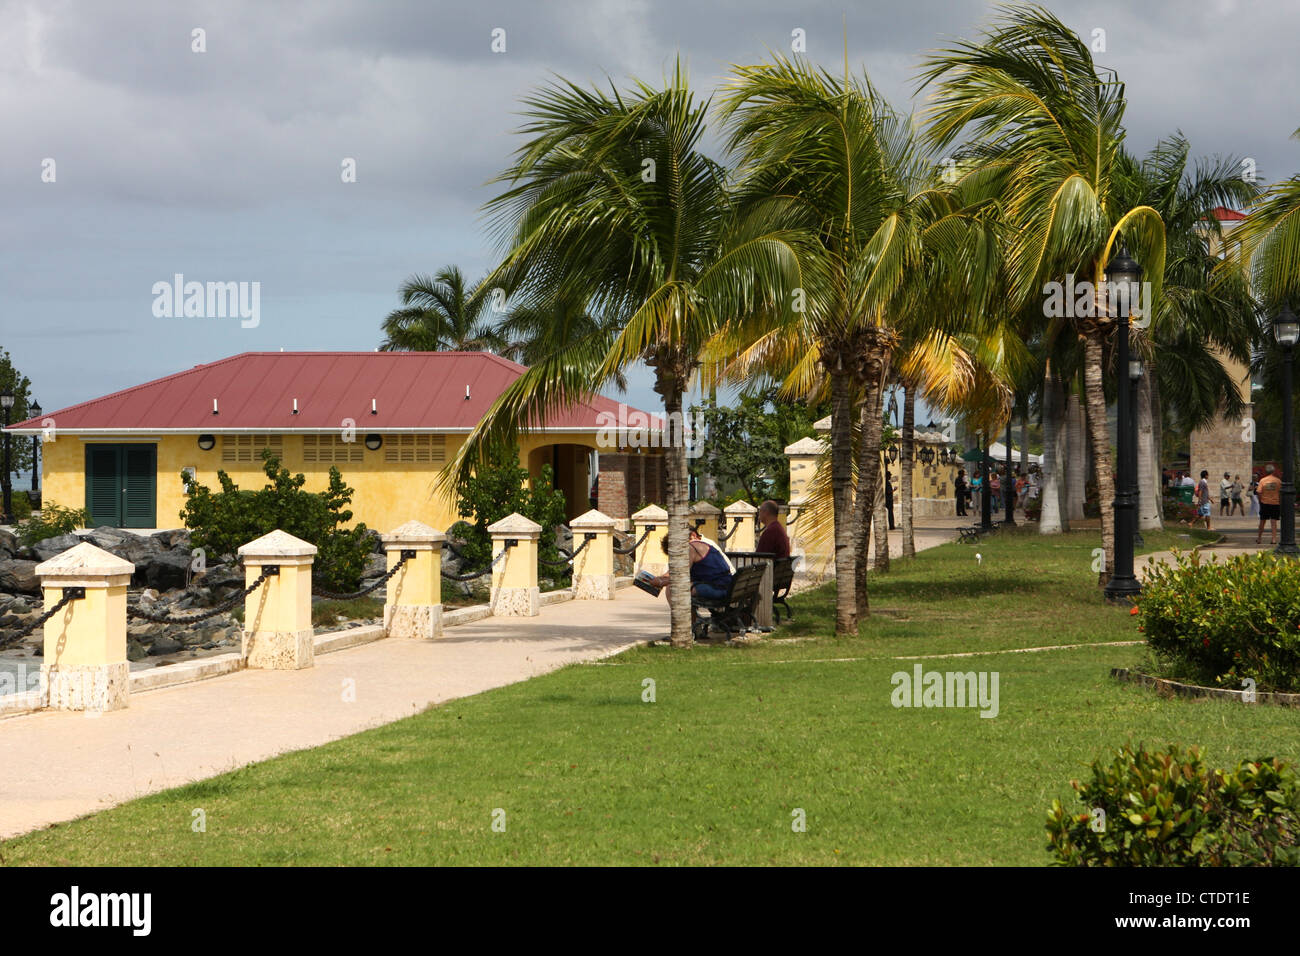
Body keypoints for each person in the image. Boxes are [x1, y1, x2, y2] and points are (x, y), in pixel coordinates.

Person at [650, 527, 733, 606]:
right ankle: (690, 619)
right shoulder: (703, 544)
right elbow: (673, 573)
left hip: (719, 588)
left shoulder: (690, 547)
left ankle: (686, 620)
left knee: (673, 589)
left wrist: (661, 582)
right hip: (727, 585)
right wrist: (661, 578)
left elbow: (680, 576)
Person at [1256, 463, 1282, 546]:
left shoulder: (1262, 480)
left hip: (1265, 503)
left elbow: (1259, 492)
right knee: (1274, 522)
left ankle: (1259, 538)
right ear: (1273, 471)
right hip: (1275, 503)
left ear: (1266, 471)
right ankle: (1273, 539)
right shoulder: (1278, 481)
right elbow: (1281, 492)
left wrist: (1260, 501)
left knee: (1262, 521)